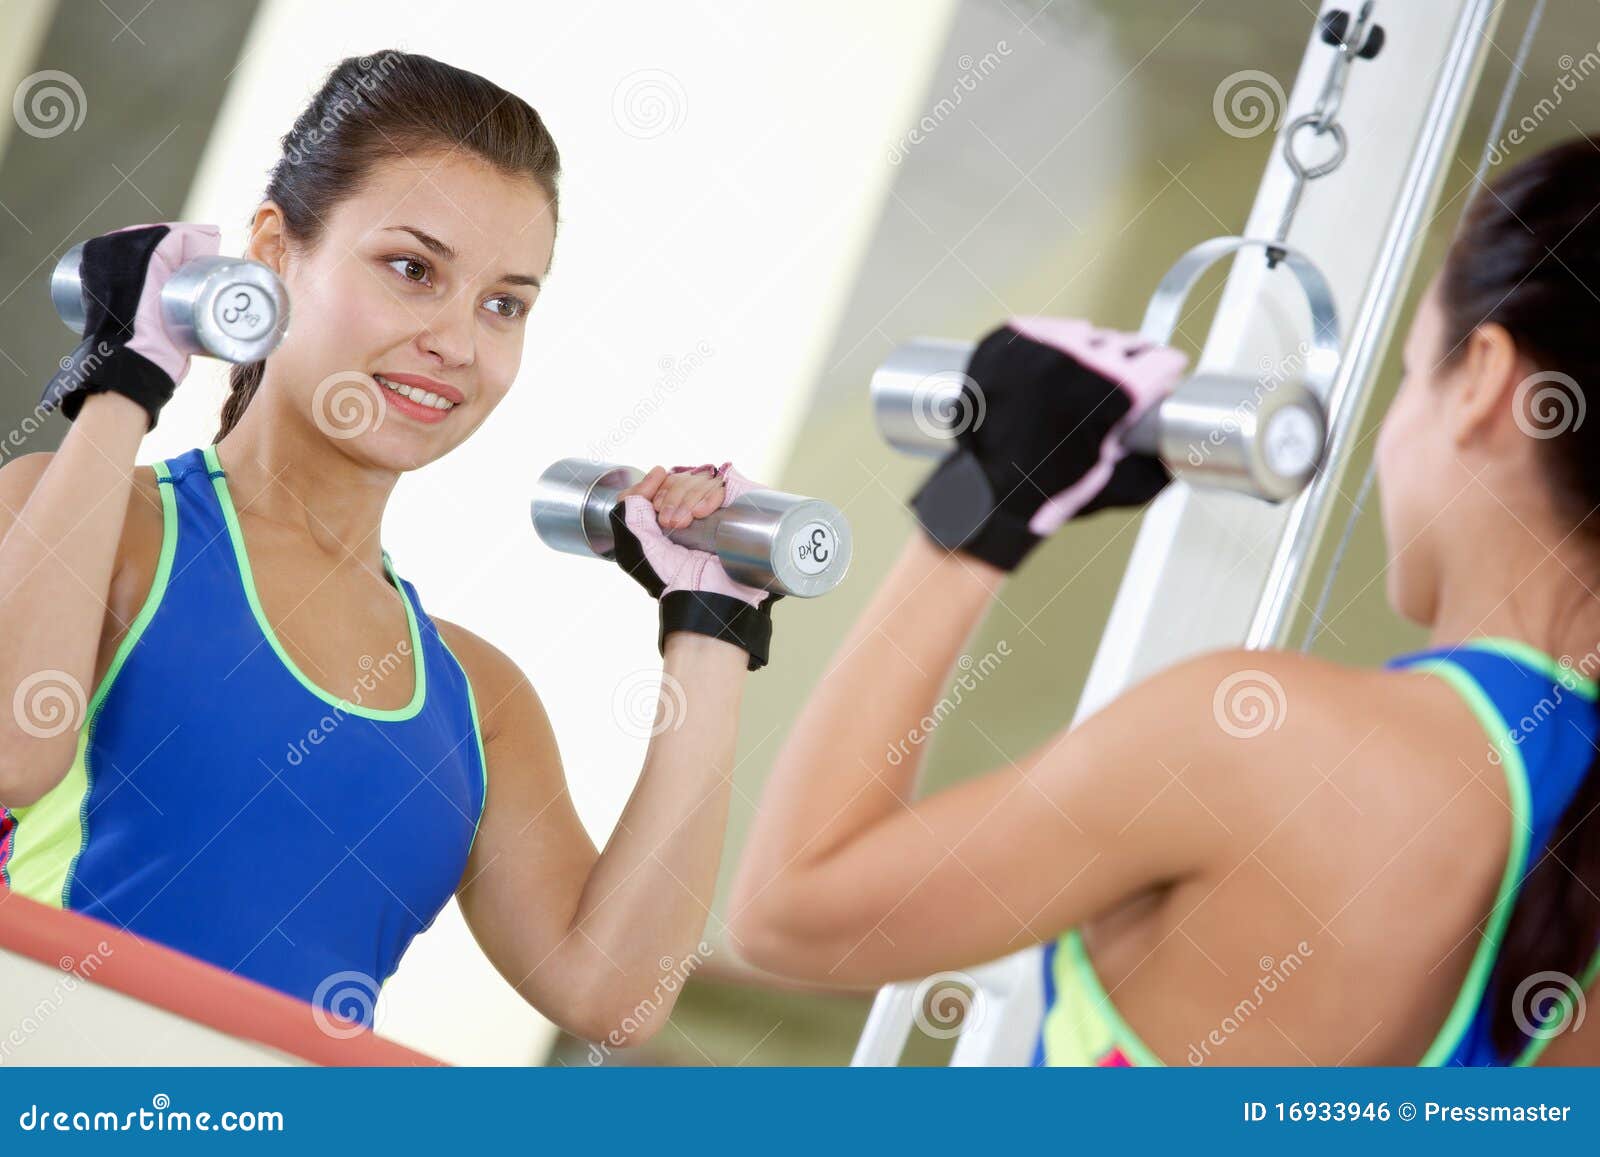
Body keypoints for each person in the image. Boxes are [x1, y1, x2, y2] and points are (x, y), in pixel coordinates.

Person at [723, 135, 1600, 1066]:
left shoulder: (1266, 741)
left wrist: (984, 501)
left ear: (1485, 381)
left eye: (1412, 374)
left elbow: (789, 911)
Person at [0, 50, 779, 1045]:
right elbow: (13, 753)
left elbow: (612, 995)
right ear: (274, 252)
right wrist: (123, 383)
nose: (458, 341)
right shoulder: (100, 520)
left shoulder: (478, 699)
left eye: (504, 303)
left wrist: (712, 622)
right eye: (413, 270)